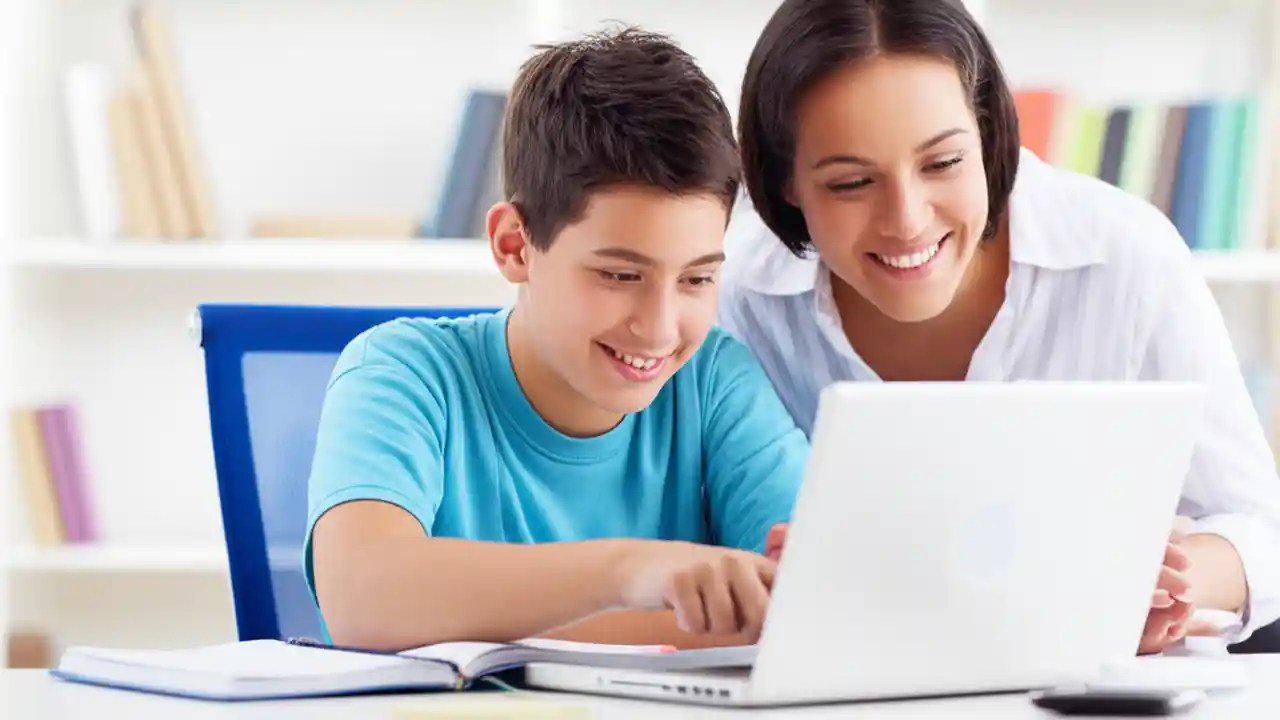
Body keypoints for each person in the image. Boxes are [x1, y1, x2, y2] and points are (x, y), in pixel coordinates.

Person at [723, 0, 1280, 655]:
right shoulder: (741, 292)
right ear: (786, 182)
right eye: (851, 182)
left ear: (988, 136)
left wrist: (1160, 585)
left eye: (942, 164)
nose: (906, 219)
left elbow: (1260, 528)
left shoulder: (1124, 255)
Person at [303, 28, 808, 652]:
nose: (659, 326)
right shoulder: (403, 373)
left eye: (698, 277)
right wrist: (630, 574)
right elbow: (362, 599)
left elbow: (806, 610)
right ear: (515, 244)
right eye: (620, 275)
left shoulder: (716, 381)